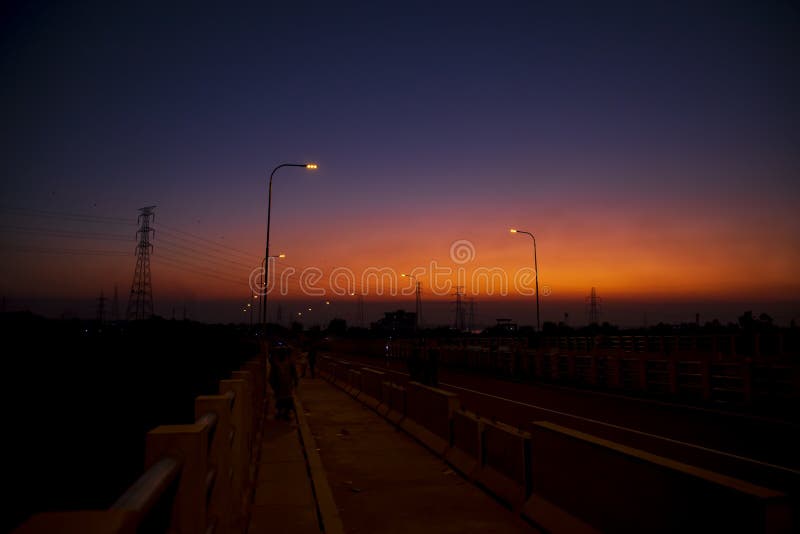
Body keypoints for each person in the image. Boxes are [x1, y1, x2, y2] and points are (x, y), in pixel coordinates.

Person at [269, 346, 298, 421]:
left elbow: (294, 374)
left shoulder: (286, 363)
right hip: (282, 386)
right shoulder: (276, 364)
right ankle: (283, 413)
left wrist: (295, 381)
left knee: (284, 400)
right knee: (283, 400)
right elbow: (271, 376)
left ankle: (284, 413)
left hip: (284, 386)